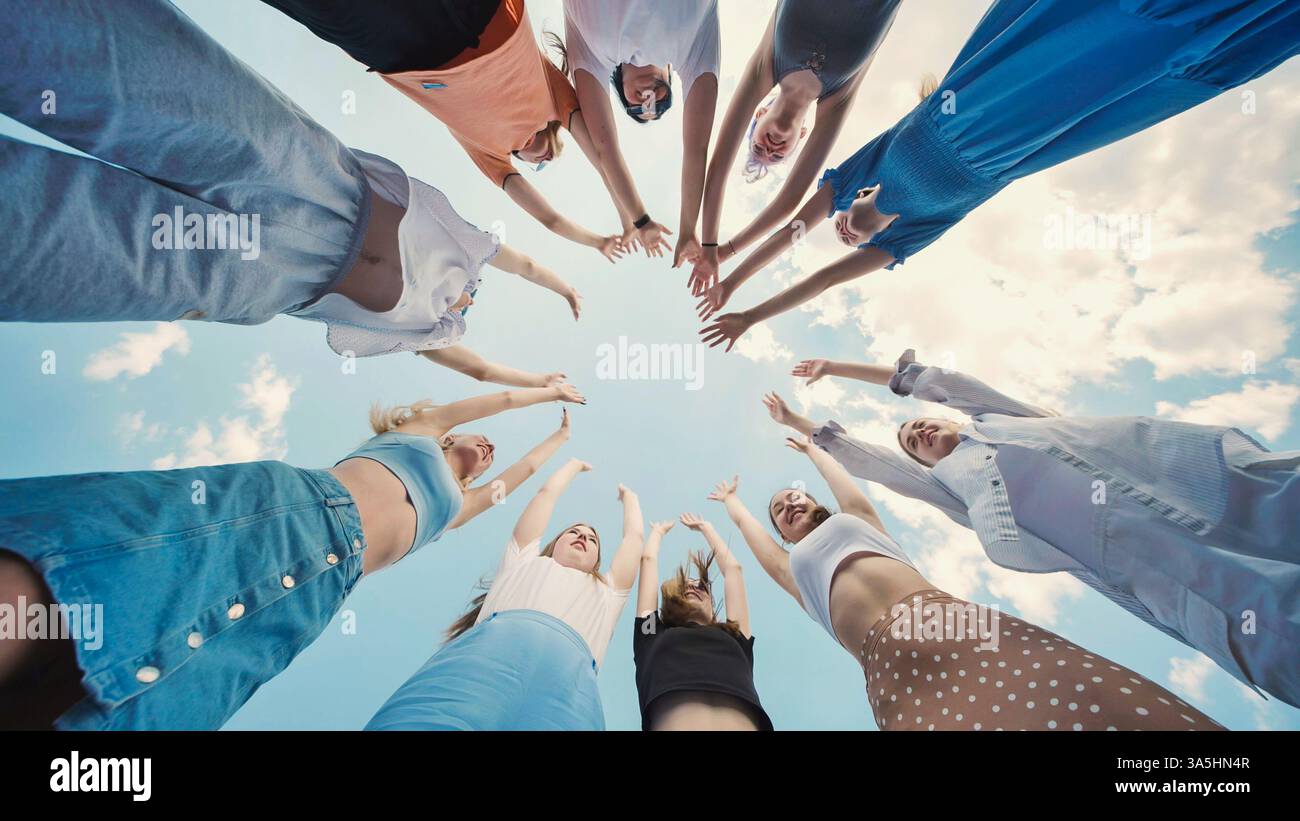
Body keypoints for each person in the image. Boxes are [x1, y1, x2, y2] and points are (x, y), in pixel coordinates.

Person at [0, 0, 575, 388]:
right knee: (140, 78)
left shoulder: (434, 329)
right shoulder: (471, 254)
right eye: (476, 297)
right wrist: (563, 285)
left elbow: (473, 370)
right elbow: (520, 261)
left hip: (264, 278)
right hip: (311, 179)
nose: (467, 301)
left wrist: (535, 382)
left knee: (57, 247)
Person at [699, 0, 1300, 349]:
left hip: (976, 93)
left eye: (838, 230)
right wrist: (753, 318)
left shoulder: (863, 168)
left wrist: (729, 267)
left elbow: (789, 229)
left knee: (1102, 28)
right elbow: (823, 284)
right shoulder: (909, 235)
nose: (845, 236)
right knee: (1143, 64)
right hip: (1026, 141)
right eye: (847, 241)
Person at [0, 384, 582, 729]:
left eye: (490, 452)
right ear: (449, 434)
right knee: (101, 568)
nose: (487, 446)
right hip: (288, 507)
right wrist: (544, 390)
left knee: (168, 696)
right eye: (478, 438)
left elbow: (520, 475)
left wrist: (558, 441)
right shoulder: (421, 432)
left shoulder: (456, 508)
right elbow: (499, 399)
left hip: (320, 592)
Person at [764, 348, 1300, 707]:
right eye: (910, 443)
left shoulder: (1004, 419)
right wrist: (799, 425)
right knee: (1266, 623)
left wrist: (835, 366)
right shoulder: (956, 489)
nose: (916, 432)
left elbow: (935, 384)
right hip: (1157, 565)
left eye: (919, 424)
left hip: (1194, 480)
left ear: (953, 419)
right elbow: (869, 460)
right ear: (922, 466)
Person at [707, 439, 1225, 730]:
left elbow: (849, 490)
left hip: (947, 619)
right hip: (885, 664)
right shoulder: (796, 570)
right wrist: (732, 503)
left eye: (793, 498)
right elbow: (765, 556)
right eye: (779, 511)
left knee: (1077, 694)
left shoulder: (859, 522)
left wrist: (814, 451)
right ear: (781, 530)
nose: (789, 506)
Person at [263, 0, 668, 259]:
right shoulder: (555, 98)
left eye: (538, 165)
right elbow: (601, 152)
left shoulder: (489, 154)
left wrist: (598, 242)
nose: (543, 156)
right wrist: (633, 217)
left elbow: (550, 220)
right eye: (553, 151)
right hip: (485, 16)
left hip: (406, 53)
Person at [367, 466, 645, 730]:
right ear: (554, 543)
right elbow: (545, 496)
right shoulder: (522, 560)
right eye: (574, 531)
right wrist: (572, 467)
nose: (583, 536)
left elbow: (634, 538)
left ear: (597, 560)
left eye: (592, 539)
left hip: (571, 685)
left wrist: (629, 497)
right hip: (487, 654)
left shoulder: (608, 591)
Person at [688, 0, 903, 294]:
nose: (770, 148)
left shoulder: (764, 67)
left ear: (760, 114)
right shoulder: (837, 100)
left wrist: (711, 245)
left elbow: (718, 167)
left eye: (759, 146)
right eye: (778, 154)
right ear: (802, 137)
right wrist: (728, 251)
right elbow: (788, 203)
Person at [559, 0, 721, 268]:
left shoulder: (590, 54)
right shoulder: (695, 48)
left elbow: (606, 149)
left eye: (638, 106)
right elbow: (696, 148)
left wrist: (641, 221)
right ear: (671, 77)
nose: (649, 100)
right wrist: (688, 229)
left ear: (619, 88)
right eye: (661, 102)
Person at [633, 514, 773, 730]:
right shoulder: (650, 632)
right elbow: (647, 561)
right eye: (683, 587)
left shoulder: (736, 636)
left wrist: (706, 528)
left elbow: (733, 571)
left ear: (711, 601)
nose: (692, 588)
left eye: (701, 587)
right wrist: (657, 534)